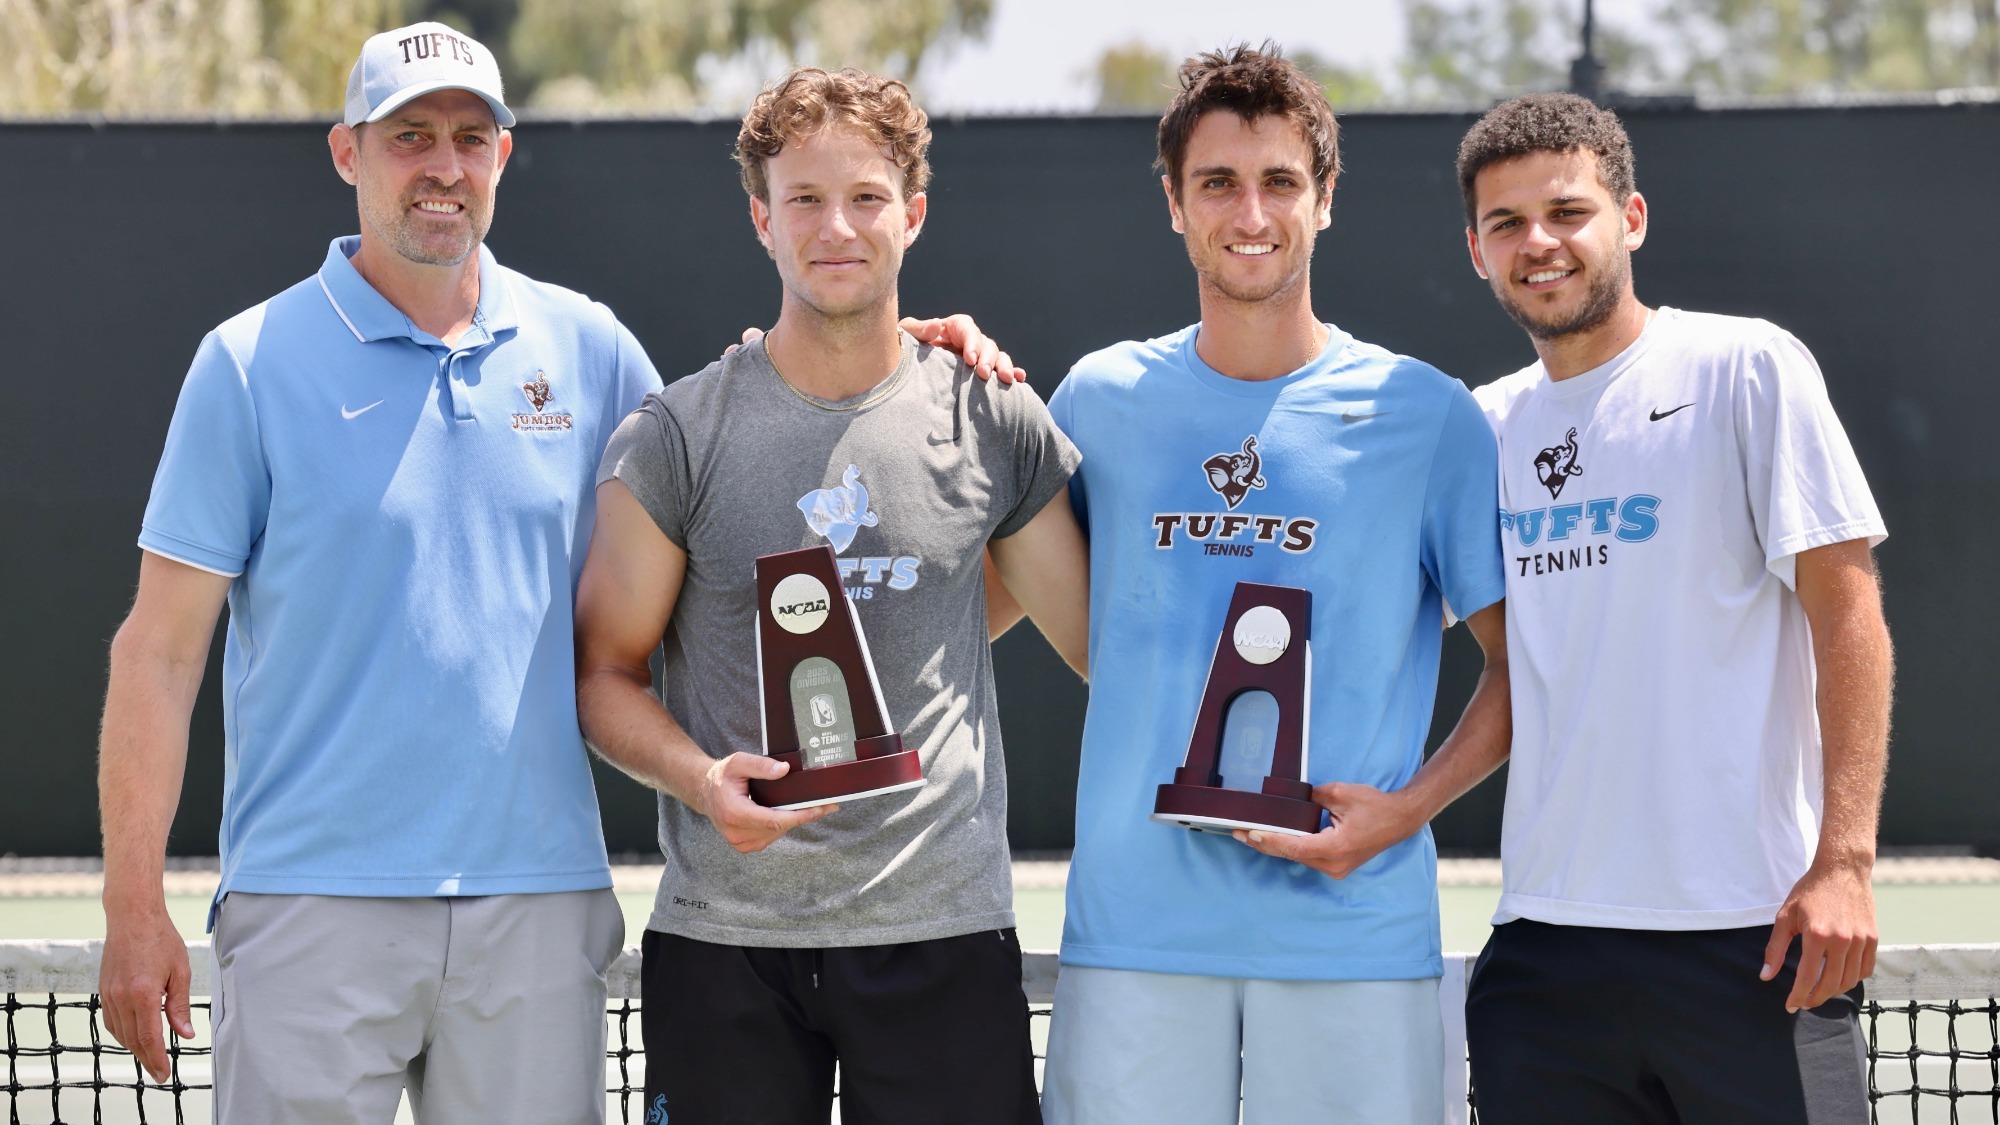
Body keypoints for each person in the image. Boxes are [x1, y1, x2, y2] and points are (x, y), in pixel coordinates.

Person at [95, 25, 1016, 1123]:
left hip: (537, 909)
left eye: (469, 137)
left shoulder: (591, 351)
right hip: (309, 902)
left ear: (502, 157)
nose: (443, 164)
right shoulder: (246, 363)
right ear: (348, 153)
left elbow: (775, 414)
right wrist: (133, 904)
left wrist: (909, 351)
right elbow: (158, 650)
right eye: (410, 137)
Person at [572, 67, 1089, 1125]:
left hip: (941, 936)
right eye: (803, 199)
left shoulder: (993, 418)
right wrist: (702, 775)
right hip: (727, 947)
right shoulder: (673, 435)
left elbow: (1095, 642)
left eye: (864, 197)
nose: (835, 226)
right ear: (761, 219)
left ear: (913, 214)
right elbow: (602, 674)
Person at [1033, 46, 1512, 1125]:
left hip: (1352, 937)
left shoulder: (1425, 413)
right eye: (1216, 183)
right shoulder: (1096, 400)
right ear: (1172, 205)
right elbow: (1024, 604)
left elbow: (1516, 666)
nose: (1248, 213)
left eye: (1279, 182)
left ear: (1324, 199)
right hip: (1133, 937)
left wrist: (1399, 816)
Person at [1455, 92, 1893, 1124]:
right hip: (1542, 963)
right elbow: (1507, 671)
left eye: (1566, 211)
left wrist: (1841, 861)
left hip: (1756, 949)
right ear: (1474, 251)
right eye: (1504, 224)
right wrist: (1390, 817)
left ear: (1630, 218)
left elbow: (1846, 614)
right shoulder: (1478, 427)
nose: (1538, 243)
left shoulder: (1744, 366)